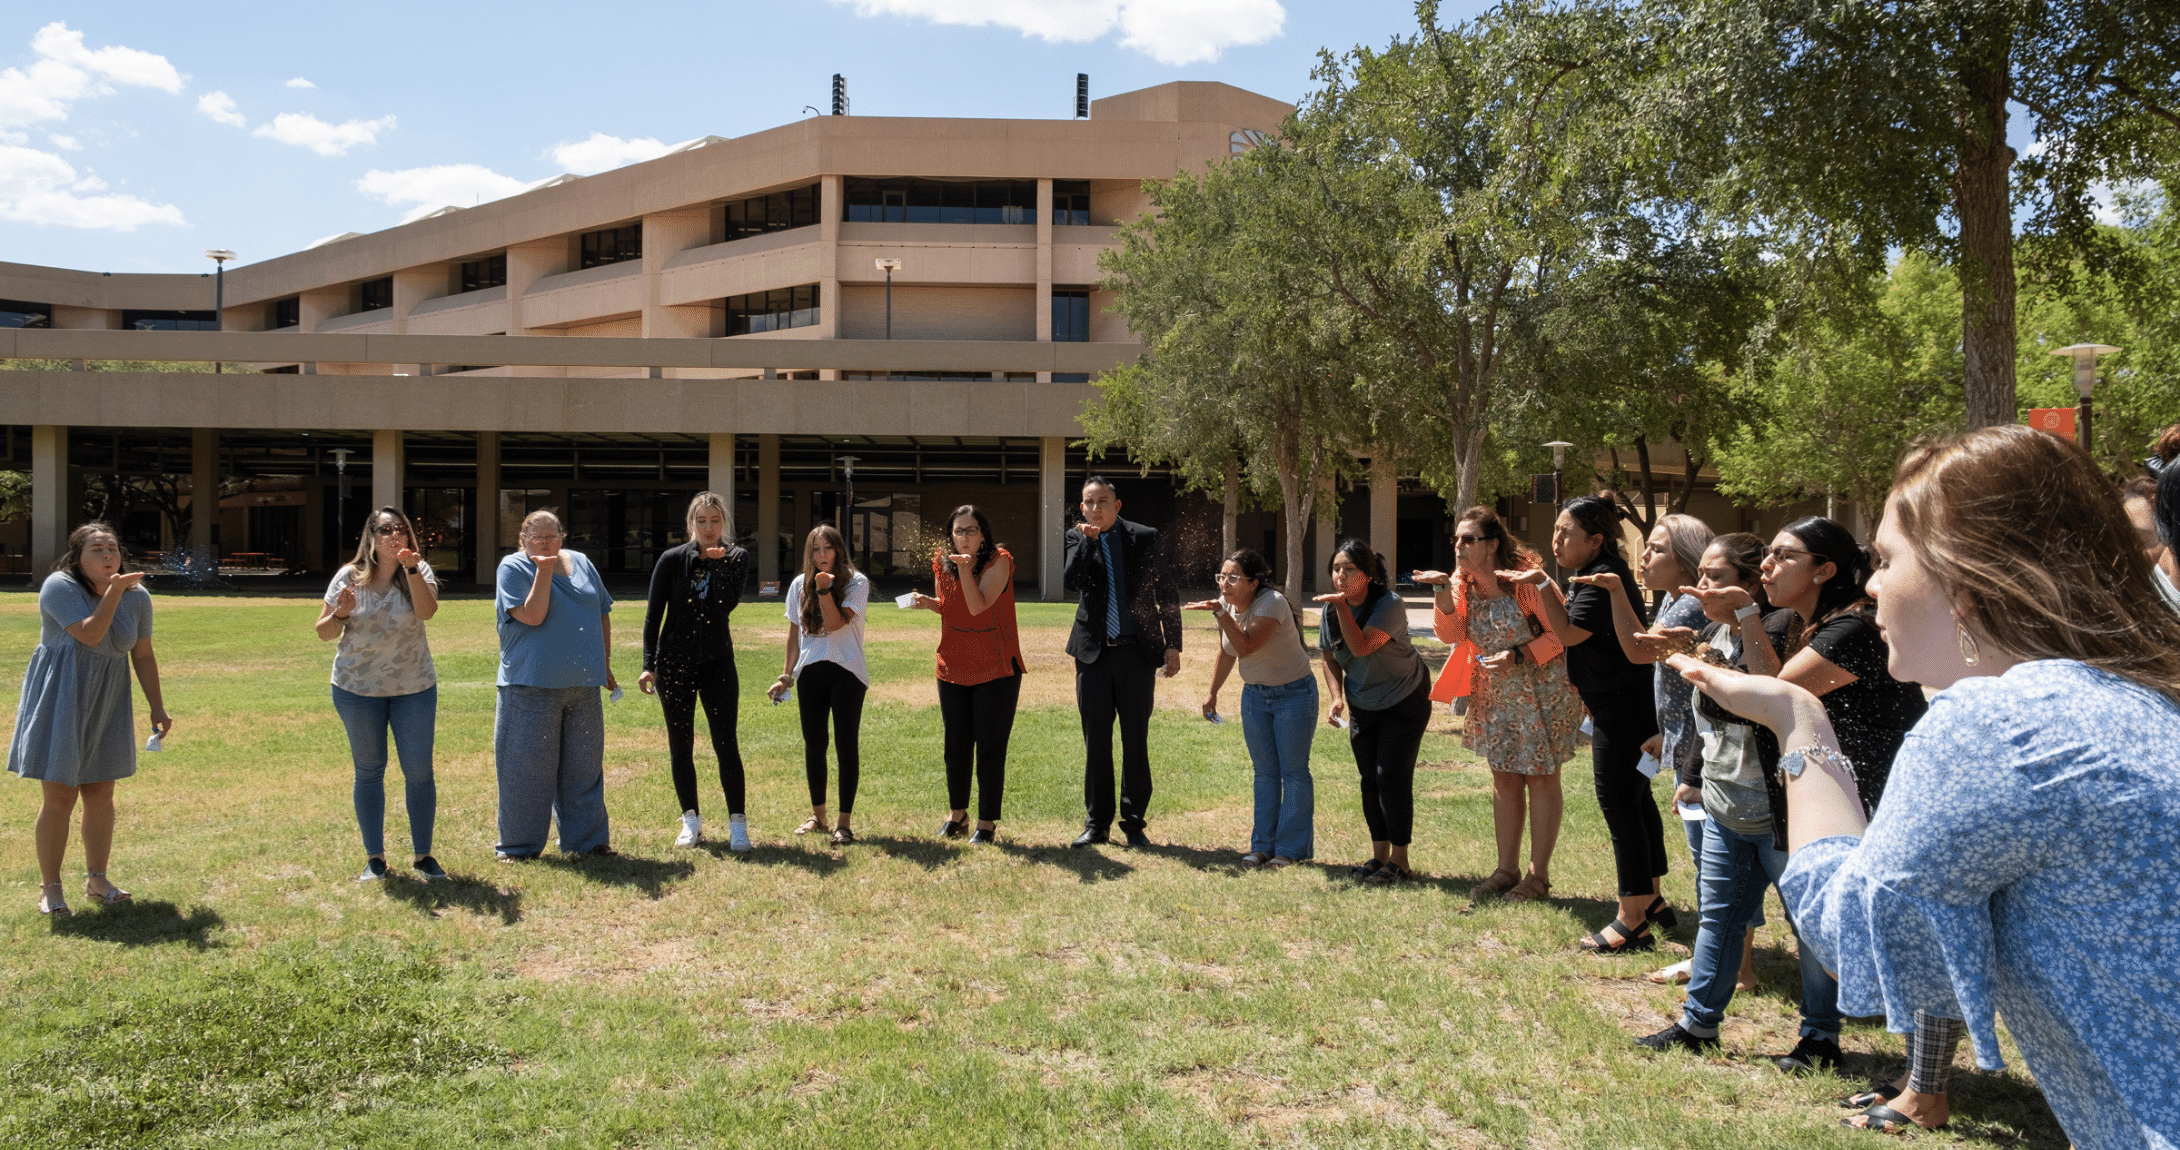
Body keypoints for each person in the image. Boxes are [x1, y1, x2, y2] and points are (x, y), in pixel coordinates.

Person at [1676, 424, 2180, 1147]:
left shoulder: (2000, 724)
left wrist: (1797, 719)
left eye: (1886, 559)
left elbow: (1853, 936)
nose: (1871, 583)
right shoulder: (2133, 690)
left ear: (1966, 581)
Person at [1631, 533, 1846, 1075]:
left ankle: (1820, 1037)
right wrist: (1694, 777)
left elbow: (1765, 697)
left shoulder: (1776, 626)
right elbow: (1707, 719)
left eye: (1716, 577)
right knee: (1720, 918)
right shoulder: (1713, 631)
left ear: (1749, 585)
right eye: (1700, 573)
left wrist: (1736, 622)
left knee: (1810, 926)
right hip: (1725, 804)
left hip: (1780, 811)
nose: (1701, 585)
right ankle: (1698, 1025)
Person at [1513, 494, 1670, 952]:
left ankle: (1631, 921)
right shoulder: (1599, 573)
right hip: (1619, 704)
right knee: (1637, 803)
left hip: (1623, 708)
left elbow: (1565, 634)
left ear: (1596, 540)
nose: (1556, 539)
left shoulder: (1603, 578)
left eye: (1566, 533)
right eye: (1556, 530)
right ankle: (1652, 901)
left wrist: (1541, 583)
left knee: (1622, 806)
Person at [1416, 507, 1580, 902]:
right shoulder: (1463, 581)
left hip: (1541, 692)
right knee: (1504, 778)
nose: (1459, 546)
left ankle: (1537, 877)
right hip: (1494, 696)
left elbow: (1561, 636)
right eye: (1456, 539)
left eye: (1468, 539)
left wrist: (1519, 655)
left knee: (1541, 777)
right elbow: (1451, 634)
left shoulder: (1524, 578)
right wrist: (1441, 590)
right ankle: (1507, 870)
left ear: (1491, 545)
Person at [9, 523, 171, 915]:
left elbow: (143, 654)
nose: (108, 555)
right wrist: (114, 592)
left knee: (101, 794)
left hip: (108, 699)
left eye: (112, 547)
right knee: (60, 797)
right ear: (77, 557)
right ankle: (51, 888)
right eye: (96, 549)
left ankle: (97, 880)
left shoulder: (137, 596)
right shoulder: (60, 587)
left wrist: (157, 706)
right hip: (61, 695)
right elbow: (91, 634)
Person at [1761, 516, 1925, 817]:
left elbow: (1773, 694)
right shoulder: (1803, 622)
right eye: (1768, 553)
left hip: (1884, 798)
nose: (1765, 564)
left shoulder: (1855, 627)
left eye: (1782, 555)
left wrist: (1743, 615)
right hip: (1850, 791)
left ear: (1823, 571)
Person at [315, 506, 444, 882]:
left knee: (419, 771)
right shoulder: (348, 577)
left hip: (413, 688)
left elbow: (426, 612)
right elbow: (323, 632)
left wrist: (412, 569)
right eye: (385, 530)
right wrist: (340, 614)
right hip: (357, 689)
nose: (394, 535)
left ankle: (423, 856)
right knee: (369, 771)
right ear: (370, 537)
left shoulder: (419, 570)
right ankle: (375, 858)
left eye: (400, 529)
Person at [1062, 475, 1182, 849]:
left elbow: (1166, 591)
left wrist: (1172, 644)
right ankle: (1097, 824)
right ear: (1082, 508)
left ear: (1116, 505)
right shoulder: (1076, 537)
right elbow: (1072, 581)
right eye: (1089, 502)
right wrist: (1088, 543)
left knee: (1135, 740)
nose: (1095, 508)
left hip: (1136, 654)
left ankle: (1134, 823)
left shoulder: (1144, 537)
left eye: (1102, 502)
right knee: (1096, 741)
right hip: (1093, 655)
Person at [493, 509, 617, 860]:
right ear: (522, 540)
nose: (546, 542)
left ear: (562, 537)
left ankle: (588, 842)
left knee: (584, 769)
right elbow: (533, 615)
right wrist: (544, 570)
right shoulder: (513, 567)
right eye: (537, 537)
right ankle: (518, 847)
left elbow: (602, 612)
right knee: (526, 770)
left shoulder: (582, 562)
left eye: (552, 536)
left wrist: (604, 664)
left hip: (583, 685)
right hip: (529, 685)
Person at [638, 492, 752, 852]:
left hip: (717, 663)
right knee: (680, 744)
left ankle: (737, 823)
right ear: (691, 523)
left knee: (726, 743)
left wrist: (716, 567)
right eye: (701, 521)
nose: (708, 528)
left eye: (715, 521)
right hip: (675, 664)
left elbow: (725, 605)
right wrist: (648, 666)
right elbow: (653, 617)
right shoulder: (672, 560)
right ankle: (691, 820)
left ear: (724, 523)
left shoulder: (736, 557)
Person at [1317, 540, 1432, 885]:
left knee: (1390, 776)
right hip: (1363, 701)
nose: (1340, 575)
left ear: (1366, 574)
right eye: (1336, 568)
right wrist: (1336, 696)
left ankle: (1400, 862)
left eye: (1349, 568)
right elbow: (1328, 656)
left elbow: (1362, 647)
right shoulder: (1331, 610)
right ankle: (1379, 856)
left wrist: (1340, 607)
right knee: (1369, 778)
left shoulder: (1389, 604)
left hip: (1404, 697)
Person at [1192, 549, 1316, 867]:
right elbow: (1228, 650)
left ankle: (1290, 850)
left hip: (1293, 693)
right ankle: (1262, 847)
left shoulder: (1271, 603)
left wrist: (1219, 614)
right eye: (1222, 576)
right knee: (1264, 773)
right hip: (1255, 696)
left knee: (1293, 772)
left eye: (1233, 578)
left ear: (1253, 583)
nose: (1225, 583)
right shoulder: (1228, 607)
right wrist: (1212, 693)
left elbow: (1247, 644)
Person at [910, 505, 1024, 844]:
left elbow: (978, 605)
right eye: (958, 531)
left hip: (996, 666)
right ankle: (957, 816)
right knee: (956, 745)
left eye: (971, 531)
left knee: (989, 745)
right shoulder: (943, 561)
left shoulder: (999, 561)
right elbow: (953, 607)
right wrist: (930, 603)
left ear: (983, 534)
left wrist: (963, 569)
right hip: (953, 664)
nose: (964, 537)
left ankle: (986, 823)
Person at [768, 524, 870, 846]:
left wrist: (824, 590)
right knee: (814, 745)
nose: (822, 554)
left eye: (828, 548)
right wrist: (786, 676)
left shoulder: (857, 582)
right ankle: (819, 816)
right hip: (811, 672)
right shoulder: (799, 585)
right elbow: (794, 635)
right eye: (815, 549)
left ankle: (844, 824)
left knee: (845, 745)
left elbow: (836, 623)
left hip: (847, 672)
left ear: (838, 550)